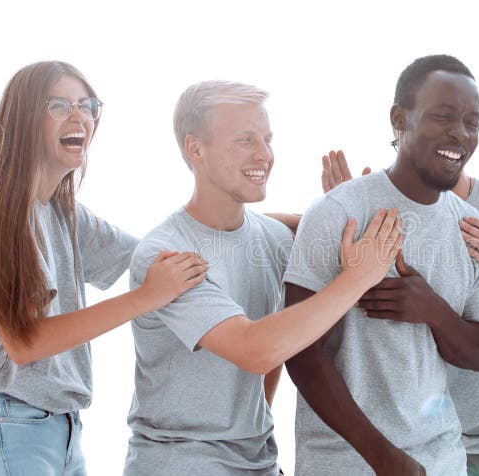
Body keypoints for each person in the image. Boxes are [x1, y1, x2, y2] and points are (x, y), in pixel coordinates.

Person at [123, 80, 402, 476]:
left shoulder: (273, 239)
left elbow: (292, 325)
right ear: (195, 149)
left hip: (258, 462)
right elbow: (256, 350)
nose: (264, 155)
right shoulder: (165, 257)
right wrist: (357, 276)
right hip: (180, 464)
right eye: (245, 140)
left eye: (267, 140)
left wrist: (345, 213)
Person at [0, 61, 206, 476]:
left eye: (87, 106)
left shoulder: (62, 213)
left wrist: (272, 226)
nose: (79, 116)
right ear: (23, 120)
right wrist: (145, 298)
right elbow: (25, 342)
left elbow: (151, 253)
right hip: (10, 424)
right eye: (59, 105)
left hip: (60, 430)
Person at [284, 55, 479, 475]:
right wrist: (384, 457)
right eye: (443, 116)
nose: (460, 133)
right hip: (346, 464)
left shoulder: (470, 227)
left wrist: (433, 311)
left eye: (472, 123)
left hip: (442, 462)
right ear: (399, 119)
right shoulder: (338, 213)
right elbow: (300, 352)